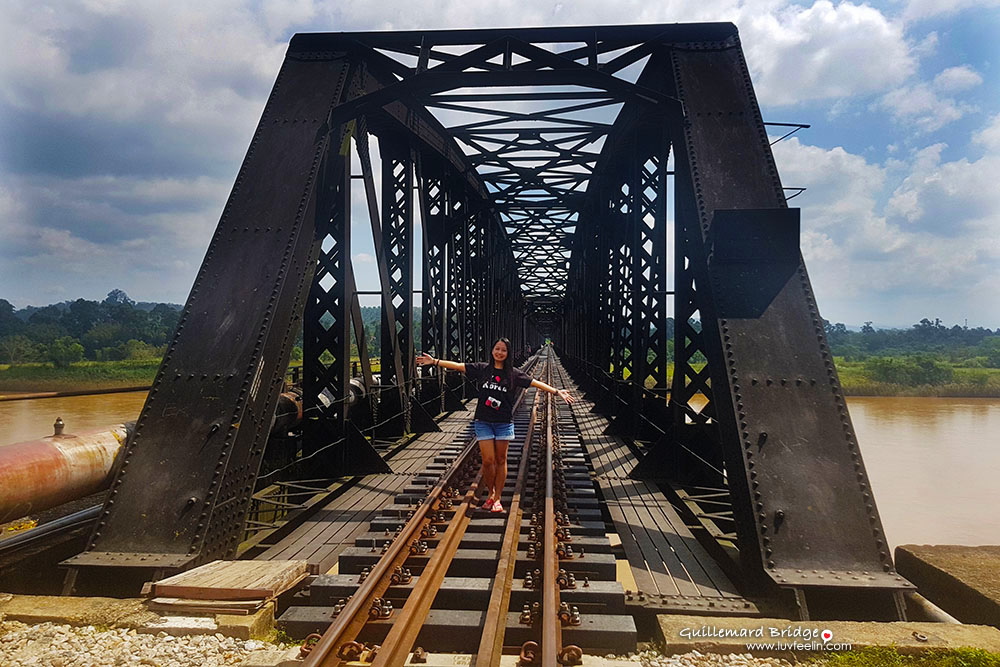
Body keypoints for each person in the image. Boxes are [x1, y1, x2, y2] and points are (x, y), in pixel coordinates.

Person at [415, 338, 574, 512]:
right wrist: (435, 361)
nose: (499, 352)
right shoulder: (482, 369)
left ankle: (497, 498)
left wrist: (557, 391)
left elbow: (535, 383)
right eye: (497, 349)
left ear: (508, 353)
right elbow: (459, 366)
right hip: (483, 421)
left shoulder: (514, 374)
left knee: (501, 459)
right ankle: (490, 493)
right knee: (488, 461)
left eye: (503, 350)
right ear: (492, 351)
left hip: (504, 423)